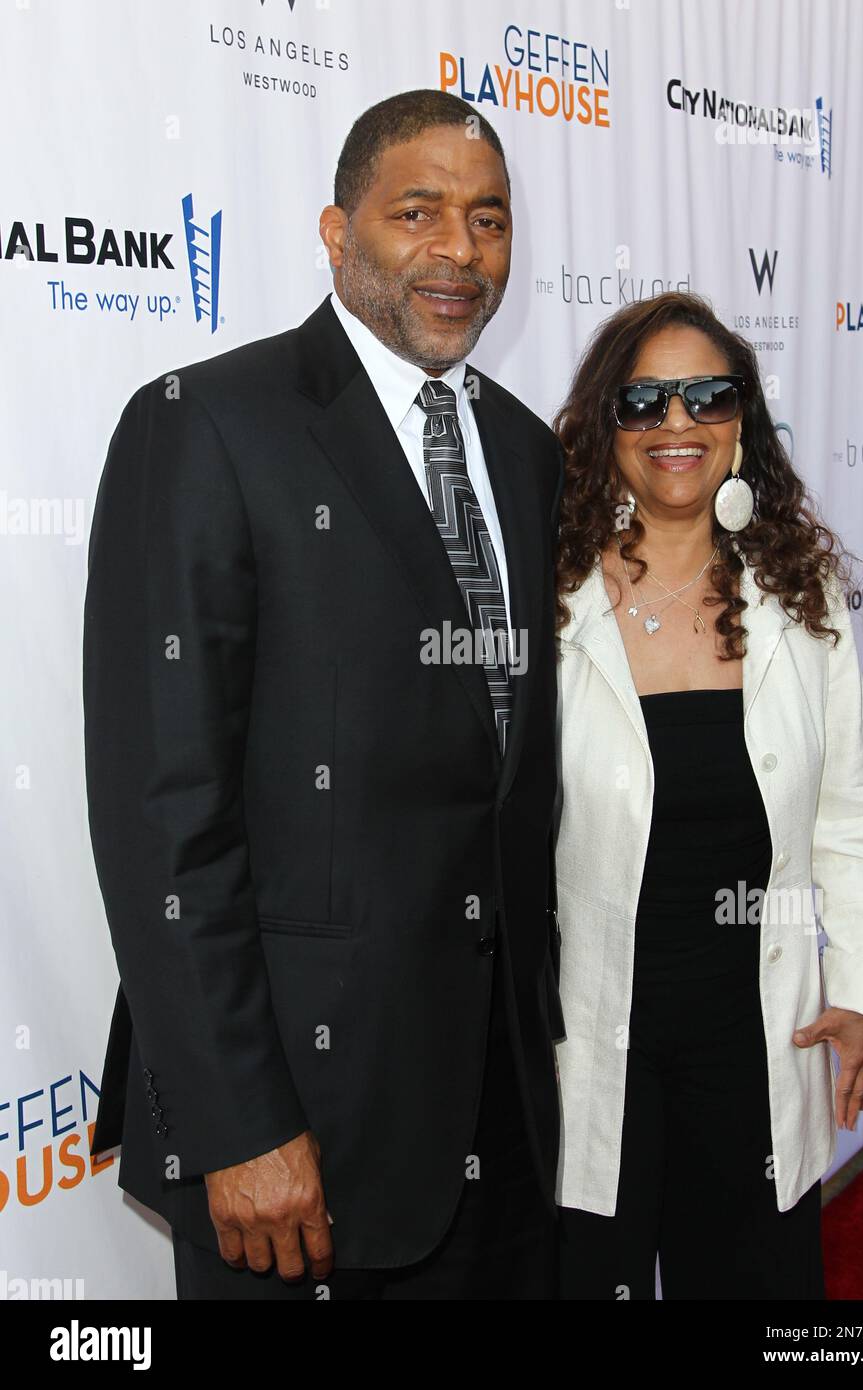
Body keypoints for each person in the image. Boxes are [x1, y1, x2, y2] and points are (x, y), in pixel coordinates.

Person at [83, 88, 565, 1301]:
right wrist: (237, 1123)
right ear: (336, 232)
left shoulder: (523, 450)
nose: (460, 249)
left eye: (490, 218)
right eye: (419, 211)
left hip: (498, 1121)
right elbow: (162, 811)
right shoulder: (208, 427)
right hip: (298, 1135)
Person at [550, 291, 863, 1300]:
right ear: (606, 424)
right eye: (646, 400)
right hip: (591, 1047)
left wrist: (861, 986)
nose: (679, 423)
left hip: (758, 1046)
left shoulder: (801, 593)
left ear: (743, 421)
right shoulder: (550, 596)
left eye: (708, 396)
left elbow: (850, 819)